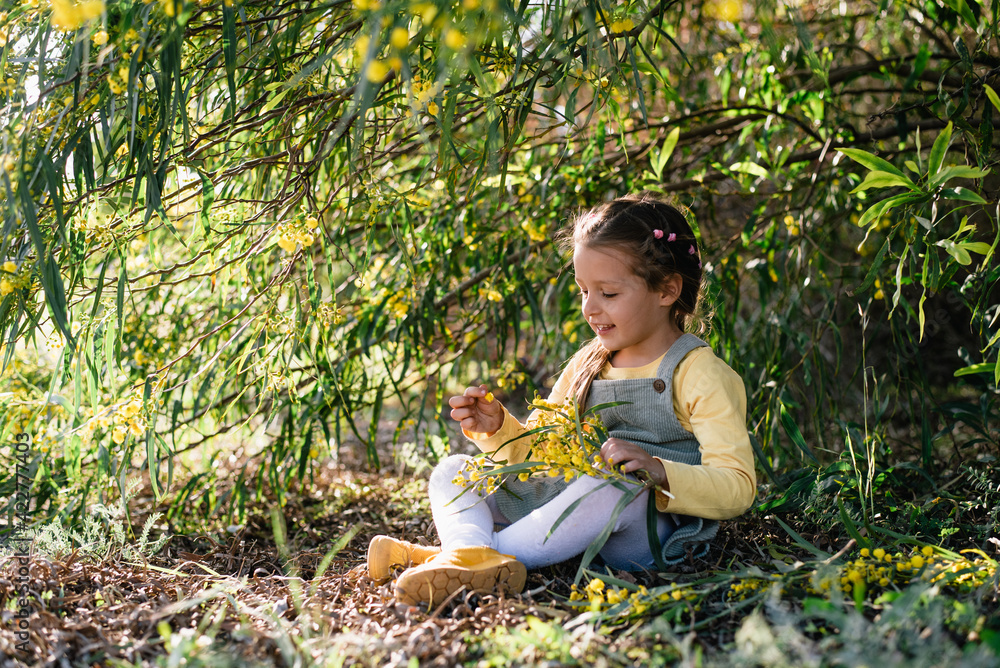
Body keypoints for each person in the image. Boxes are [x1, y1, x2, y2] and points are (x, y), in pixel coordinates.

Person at [367, 194, 756, 607]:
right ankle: (467, 554)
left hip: (649, 533)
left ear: (667, 289)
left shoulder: (698, 373)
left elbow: (738, 486)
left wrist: (660, 471)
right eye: (583, 290)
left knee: (611, 483)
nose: (589, 308)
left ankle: (457, 558)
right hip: (566, 506)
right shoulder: (588, 362)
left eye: (607, 293)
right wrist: (499, 429)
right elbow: (542, 453)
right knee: (454, 470)